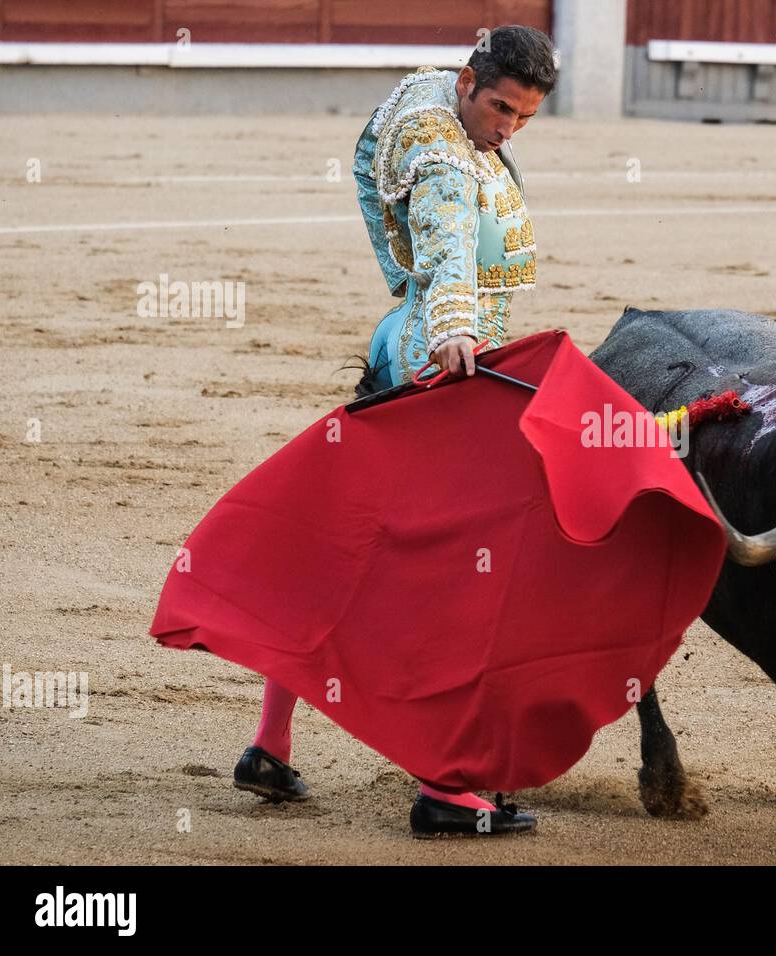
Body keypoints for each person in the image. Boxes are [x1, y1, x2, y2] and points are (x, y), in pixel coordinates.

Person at [233, 24, 558, 838]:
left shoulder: (427, 96)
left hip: (404, 340)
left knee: (349, 556)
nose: (508, 128)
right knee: (446, 577)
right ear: (467, 81)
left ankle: (270, 742)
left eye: (523, 116)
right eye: (498, 107)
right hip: (439, 365)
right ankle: (446, 787)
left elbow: (376, 144)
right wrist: (450, 324)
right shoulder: (443, 153)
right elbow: (448, 238)